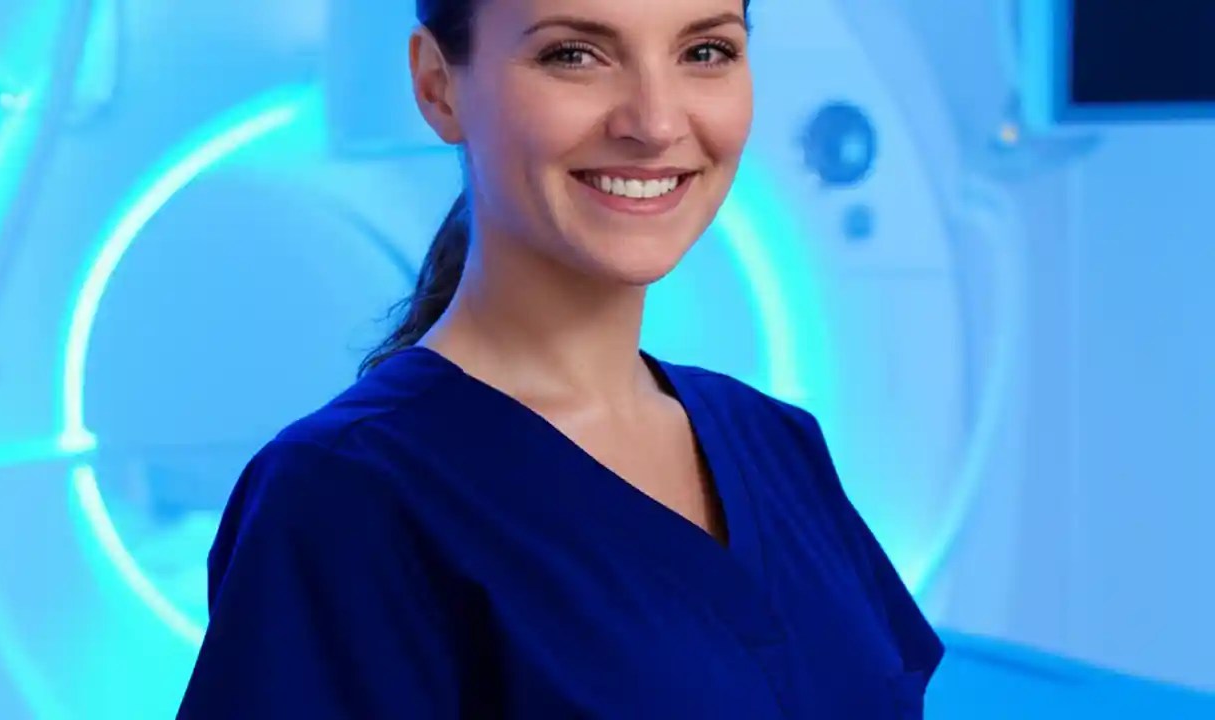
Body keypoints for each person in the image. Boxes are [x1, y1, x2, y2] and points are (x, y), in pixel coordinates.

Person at [177, 0, 945, 717]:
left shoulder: (777, 442)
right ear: (438, 87)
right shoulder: (345, 495)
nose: (654, 121)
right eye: (575, 55)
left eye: (705, 51)